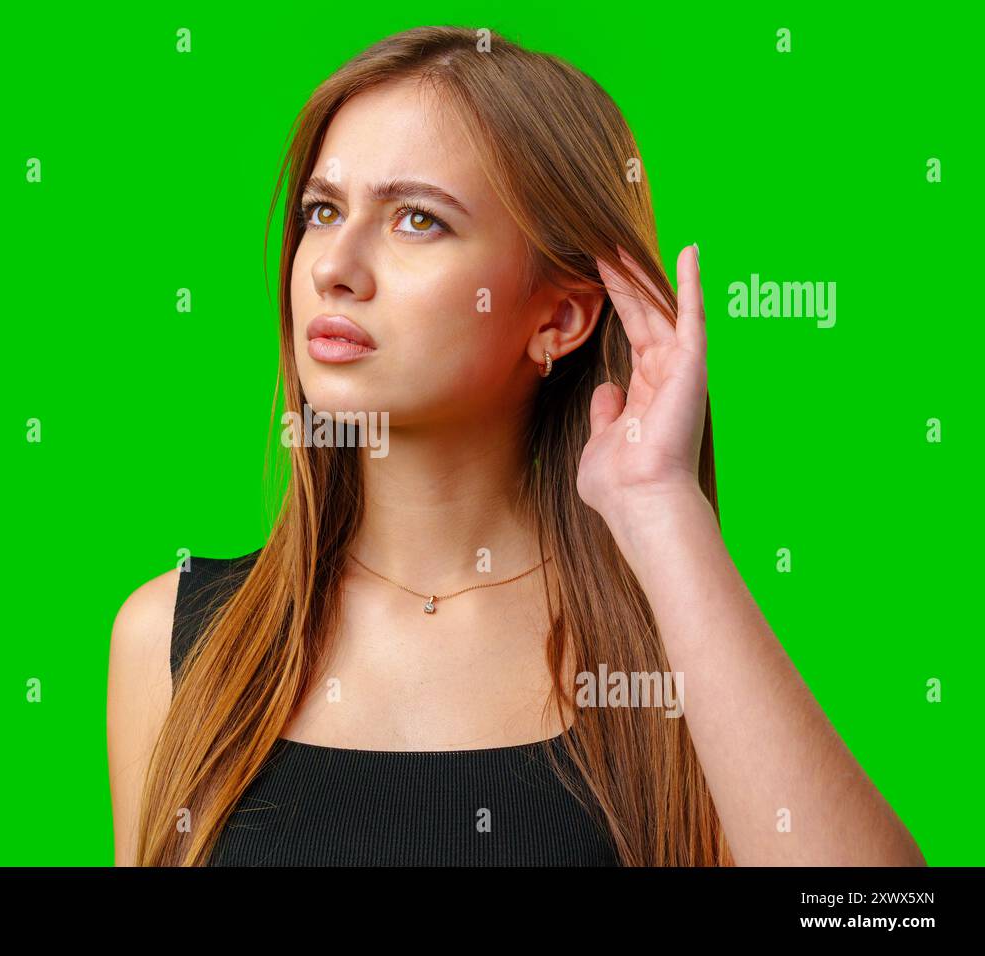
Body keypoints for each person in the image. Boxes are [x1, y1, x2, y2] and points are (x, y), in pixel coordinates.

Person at [108, 25, 925, 867]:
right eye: (324, 210)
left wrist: (660, 505)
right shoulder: (174, 642)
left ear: (560, 318)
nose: (333, 267)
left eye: (417, 219)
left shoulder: (670, 659)